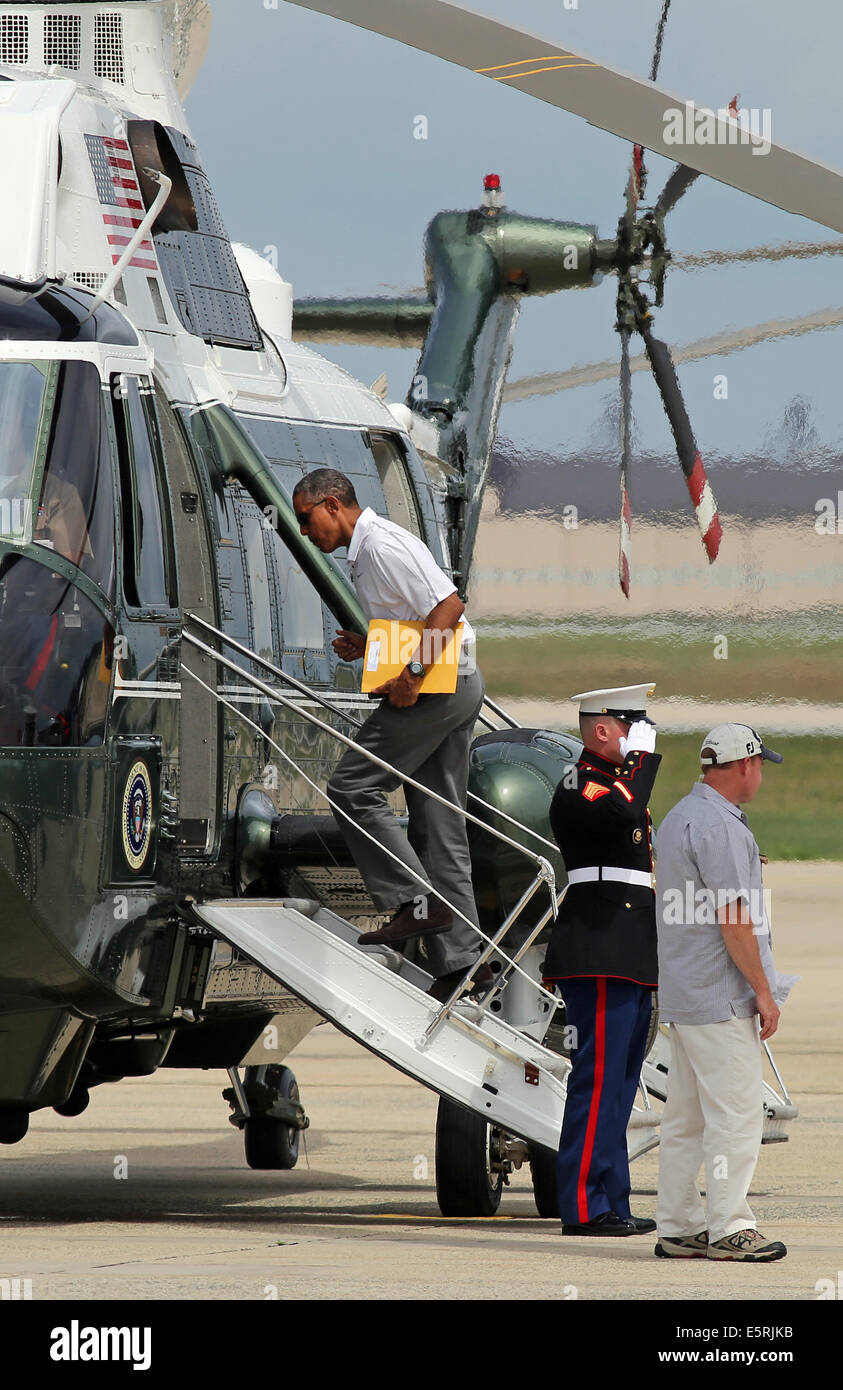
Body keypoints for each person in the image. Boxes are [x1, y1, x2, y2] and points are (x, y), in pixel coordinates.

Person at [292, 467, 490, 1002]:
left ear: (333, 505)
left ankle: (414, 902)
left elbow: (449, 607)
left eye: (308, 520)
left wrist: (412, 676)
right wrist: (371, 645)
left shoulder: (378, 546)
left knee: (351, 785)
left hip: (439, 686)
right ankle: (464, 963)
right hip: (457, 680)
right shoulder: (371, 549)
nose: (308, 534)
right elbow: (416, 617)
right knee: (437, 825)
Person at [654, 723, 795, 1262]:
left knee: (686, 1118)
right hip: (719, 997)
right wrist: (764, 991)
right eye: (761, 764)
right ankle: (729, 1225)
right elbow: (735, 920)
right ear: (744, 765)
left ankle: (679, 1223)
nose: (761, 774)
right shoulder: (722, 828)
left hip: (685, 993)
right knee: (736, 1115)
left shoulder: (678, 818)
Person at [544, 684, 660, 1237]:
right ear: (601, 730)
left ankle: (613, 1199)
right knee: (598, 1078)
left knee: (621, 1080)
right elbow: (625, 809)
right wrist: (642, 759)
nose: (639, 733)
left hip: (629, 947)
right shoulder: (581, 782)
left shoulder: (616, 784)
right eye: (630, 723)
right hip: (600, 944)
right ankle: (583, 1206)